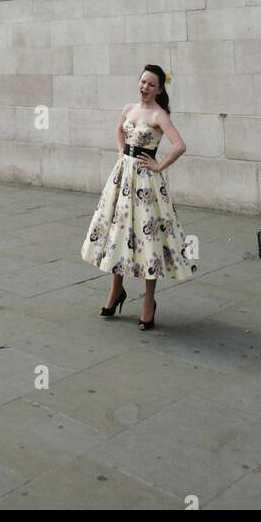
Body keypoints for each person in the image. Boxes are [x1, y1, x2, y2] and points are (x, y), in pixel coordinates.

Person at [80, 64, 196, 330]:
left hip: (146, 183)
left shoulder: (159, 114)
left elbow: (180, 146)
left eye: (151, 84)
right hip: (122, 179)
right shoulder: (128, 109)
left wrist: (158, 165)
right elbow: (119, 130)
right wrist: (123, 151)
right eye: (143, 82)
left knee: (148, 239)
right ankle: (116, 291)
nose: (145, 87)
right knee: (118, 233)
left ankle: (149, 302)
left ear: (159, 89)